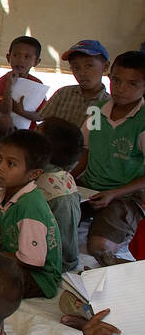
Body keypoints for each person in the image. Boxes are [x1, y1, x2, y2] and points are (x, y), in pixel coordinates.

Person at [76, 50, 145, 267]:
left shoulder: (143, 122)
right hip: (90, 189)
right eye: (116, 80)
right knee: (50, 219)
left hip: (126, 196)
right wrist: (66, 180)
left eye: (132, 84)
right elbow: (85, 151)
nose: (121, 88)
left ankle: (128, 279)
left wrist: (113, 193)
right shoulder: (97, 111)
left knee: (99, 248)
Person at [0, 130, 62, 299]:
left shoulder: (30, 207)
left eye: (11, 164)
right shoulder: (9, 193)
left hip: (40, 279)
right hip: (19, 263)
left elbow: (32, 261)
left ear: (34, 174)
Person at [15, 40, 109, 129]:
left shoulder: (109, 104)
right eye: (76, 67)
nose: (82, 73)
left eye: (89, 66)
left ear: (105, 66)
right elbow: (43, 120)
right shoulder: (63, 93)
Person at [34, 118, 84, 273]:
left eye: (34, 136)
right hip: (66, 257)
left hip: (51, 262)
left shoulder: (36, 180)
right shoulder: (65, 175)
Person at [0, 35, 43, 142]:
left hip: (28, 130)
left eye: (27, 57)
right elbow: (4, 112)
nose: (20, 60)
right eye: (16, 55)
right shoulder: (3, 81)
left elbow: (41, 116)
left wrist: (21, 112)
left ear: (36, 61)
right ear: (8, 58)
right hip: (3, 128)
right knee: (4, 120)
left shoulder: (37, 84)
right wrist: (9, 85)